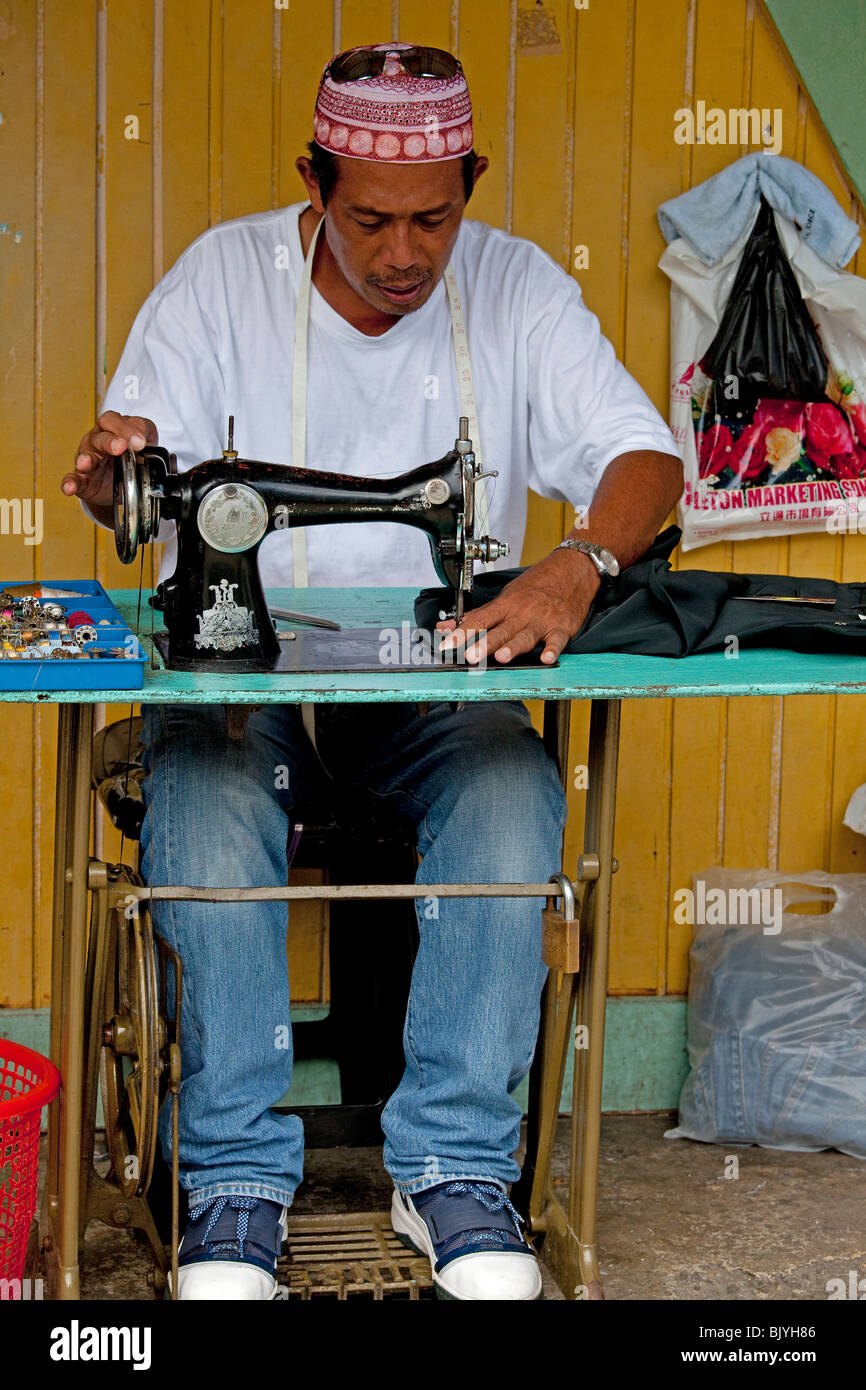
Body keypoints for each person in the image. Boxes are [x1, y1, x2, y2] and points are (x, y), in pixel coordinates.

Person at [64, 42, 683, 1301]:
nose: (405, 254)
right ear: (312, 180)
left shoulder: (515, 291)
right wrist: (113, 467)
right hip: (250, 681)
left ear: (471, 184)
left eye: (434, 219)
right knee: (204, 791)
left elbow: (644, 459)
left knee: (512, 784)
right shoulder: (216, 286)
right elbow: (133, 466)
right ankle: (234, 1173)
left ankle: (453, 1159)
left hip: (436, 670)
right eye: (369, 221)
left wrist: (572, 562)